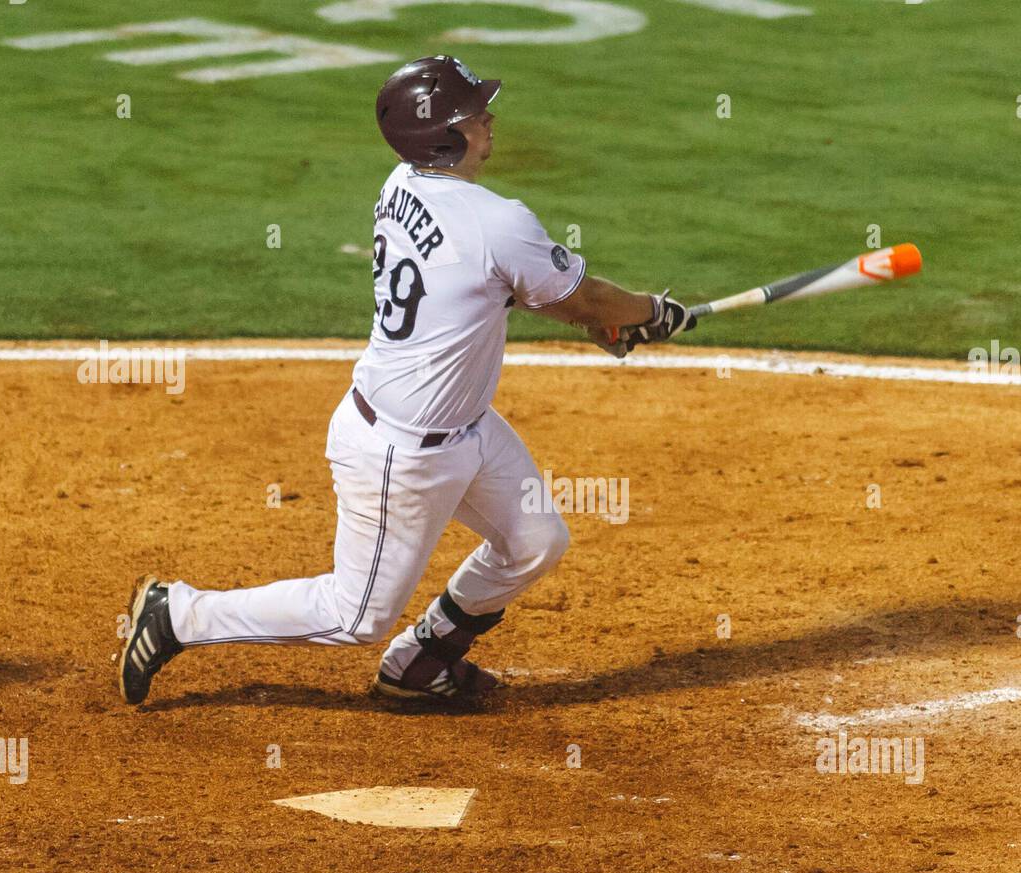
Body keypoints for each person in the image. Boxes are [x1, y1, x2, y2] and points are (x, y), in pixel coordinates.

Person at [118, 54, 694, 706]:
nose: (490, 120)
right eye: (476, 114)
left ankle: (420, 662)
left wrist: (605, 319)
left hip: (465, 428)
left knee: (535, 540)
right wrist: (650, 313)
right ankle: (179, 615)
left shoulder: (401, 185)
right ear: (447, 137)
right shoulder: (496, 222)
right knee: (353, 616)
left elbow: (535, 296)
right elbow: (581, 300)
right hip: (400, 451)